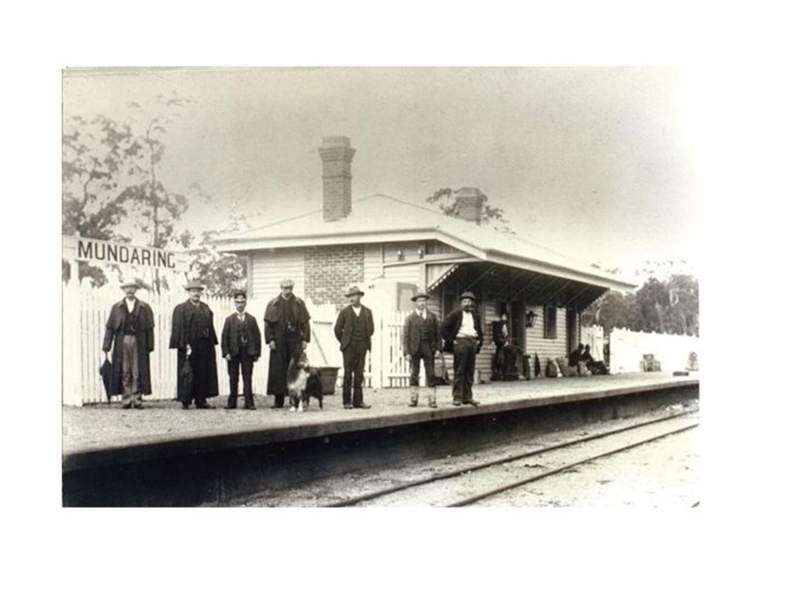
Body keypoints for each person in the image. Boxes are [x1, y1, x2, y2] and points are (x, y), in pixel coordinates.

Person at [102, 279, 155, 409]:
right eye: (127, 288)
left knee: (137, 371)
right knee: (125, 370)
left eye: (132, 288)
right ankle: (126, 399)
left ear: (136, 290)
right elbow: (110, 328)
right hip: (122, 341)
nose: (129, 290)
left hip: (139, 341)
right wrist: (106, 345)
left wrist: (150, 345)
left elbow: (149, 329)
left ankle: (137, 399)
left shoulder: (144, 307)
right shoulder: (117, 307)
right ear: (123, 290)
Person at [169, 280, 219, 409]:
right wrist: (184, 344)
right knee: (187, 372)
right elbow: (178, 329)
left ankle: (200, 400)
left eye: (198, 291)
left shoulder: (205, 307)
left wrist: (210, 342)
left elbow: (210, 325)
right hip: (188, 345)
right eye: (193, 291)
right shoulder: (181, 309)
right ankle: (186, 400)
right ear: (189, 293)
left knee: (202, 372)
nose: (196, 293)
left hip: (204, 345)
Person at [263, 278, 311, 409]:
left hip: (295, 340)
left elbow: (305, 323)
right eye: (285, 288)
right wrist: (270, 340)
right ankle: (278, 399)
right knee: (278, 370)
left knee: (295, 370)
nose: (288, 291)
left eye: (290, 288)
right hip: (278, 342)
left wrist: (305, 339)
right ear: (281, 288)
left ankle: (294, 399)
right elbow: (268, 325)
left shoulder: (299, 303)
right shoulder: (273, 304)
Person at [334, 286, 374, 409]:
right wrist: (345, 342)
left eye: (354, 296)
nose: (352, 298)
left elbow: (371, 329)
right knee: (347, 374)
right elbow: (337, 329)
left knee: (359, 374)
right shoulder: (344, 312)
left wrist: (363, 341)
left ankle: (358, 401)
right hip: (349, 347)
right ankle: (347, 402)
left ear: (360, 297)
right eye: (350, 296)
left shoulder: (368, 312)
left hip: (362, 345)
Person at [441, 290, 483, 406]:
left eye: (469, 301)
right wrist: (452, 340)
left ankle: (468, 397)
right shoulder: (455, 314)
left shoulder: (475, 315)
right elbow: (443, 328)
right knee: (459, 370)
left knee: (469, 371)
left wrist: (479, 341)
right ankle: (457, 397)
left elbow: (479, 329)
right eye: (464, 301)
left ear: (473, 303)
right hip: (461, 342)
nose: (467, 303)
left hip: (472, 342)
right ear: (460, 303)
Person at [221, 290, 262, 410]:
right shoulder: (229, 320)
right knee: (233, 377)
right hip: (233, 353)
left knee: (247, 377)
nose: (240, 304)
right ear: (234, 303)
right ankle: (231, 402)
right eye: (238, 302)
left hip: (247, 352)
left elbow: (257, 336)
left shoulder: (252, 319)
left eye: (242, 302)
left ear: (246, 303)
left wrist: (257, 353)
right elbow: (224, 337)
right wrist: (226, 353)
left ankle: (249, 403)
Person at [402, 291, 442, 409]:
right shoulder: (410, 318)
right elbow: (405, 336)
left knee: (431, 373)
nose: (421, 303)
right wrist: (407, 352)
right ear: (415, 303)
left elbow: (438, 334)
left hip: (428, 348)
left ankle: (432, 399)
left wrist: (438, 349)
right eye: (419, 301)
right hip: (414, 349)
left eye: (423, 301)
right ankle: (414, 399)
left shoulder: (432, 317)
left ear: (426, 302)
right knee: (414, 373)